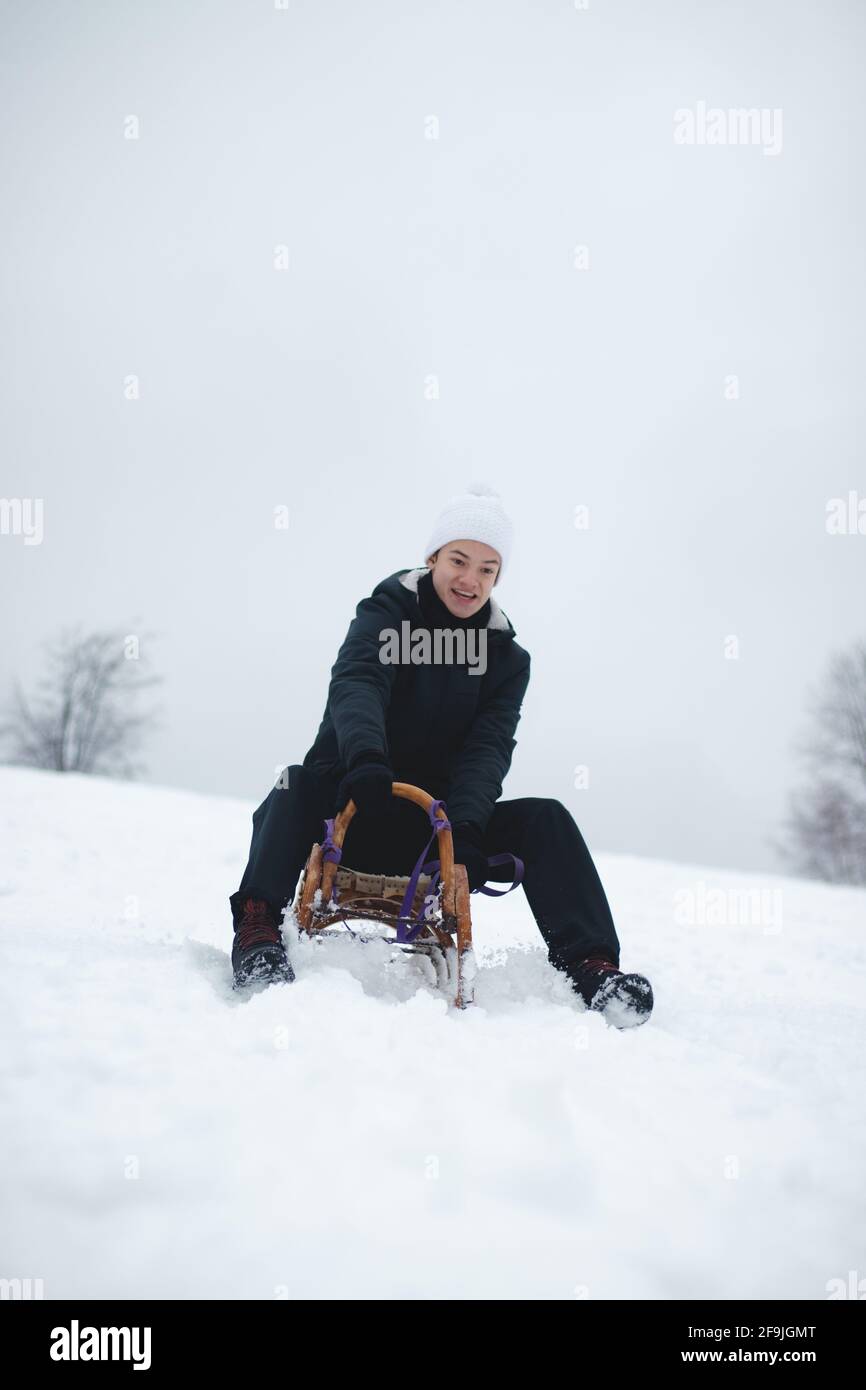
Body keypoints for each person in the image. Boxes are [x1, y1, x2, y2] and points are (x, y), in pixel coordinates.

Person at [229, 482, 653, 1028]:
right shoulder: (385, 615)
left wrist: (470, 827)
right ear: (432, 557)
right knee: (292, 784)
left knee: (546, 818)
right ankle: (259, 930)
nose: (470, 580)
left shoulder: (506, 660)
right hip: (354, 806)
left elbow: (488, 745)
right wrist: (365, 763)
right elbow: (359, 684)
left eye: (487, 569)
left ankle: (593, 969)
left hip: (439, 838)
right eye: (459, 560)